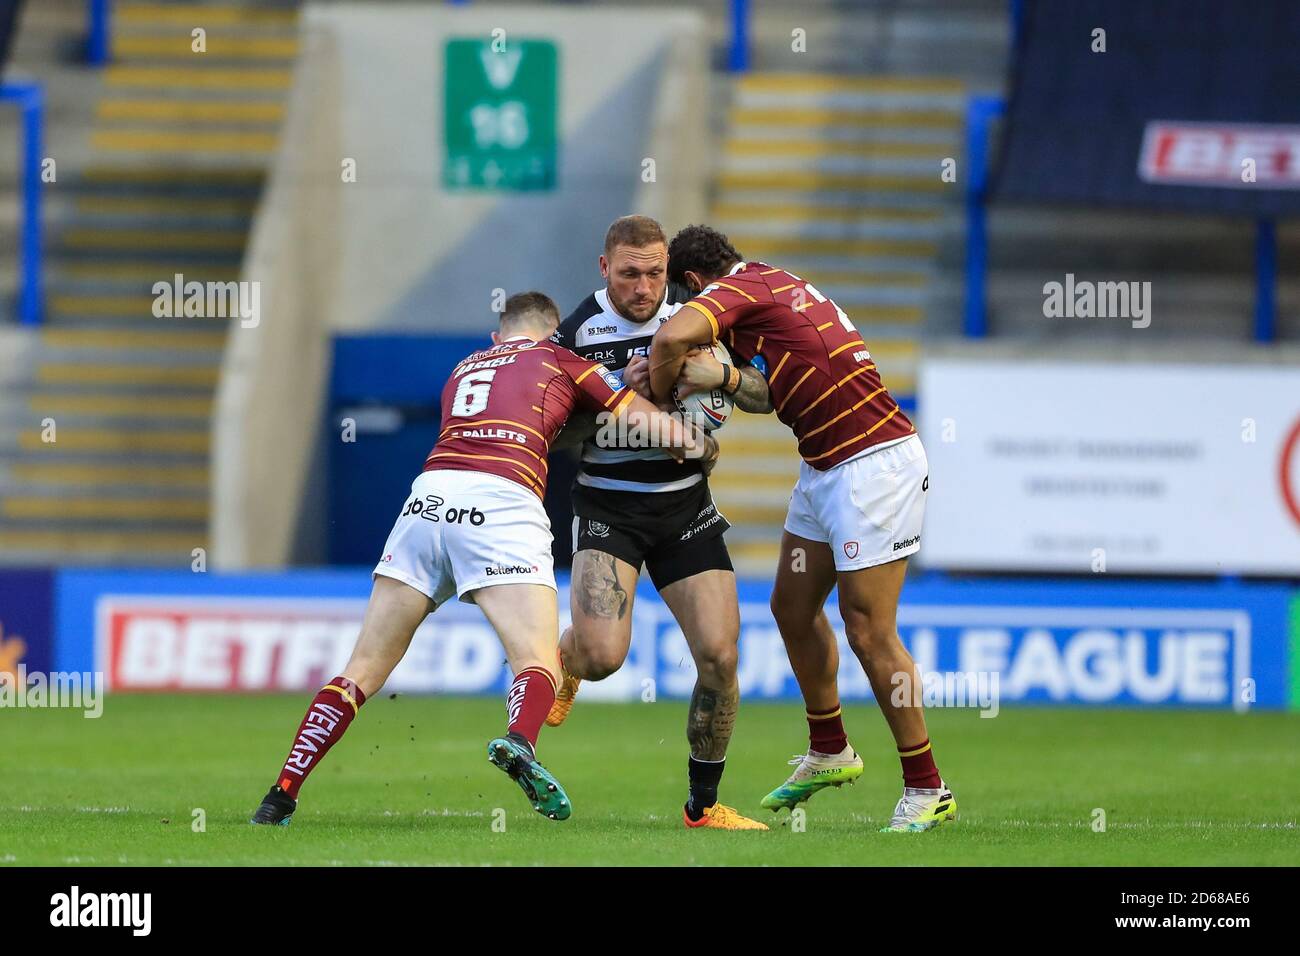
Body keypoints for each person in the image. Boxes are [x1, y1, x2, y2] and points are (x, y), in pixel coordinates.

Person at [250, 291, 700, 826]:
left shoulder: (463, 368)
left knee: (362, 669)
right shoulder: (561, 359)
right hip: (502, 501)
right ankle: (520, 742)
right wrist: (690, 437)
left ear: (497, 337)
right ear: (550, 333)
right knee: (537, 660)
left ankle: (281, 793)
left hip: (427, 500)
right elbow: (647, 422)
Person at [648, 225, 957, 833]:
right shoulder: (771, 290)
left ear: (693, 283)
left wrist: (658, 397)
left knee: (869, 628)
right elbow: (765, 396)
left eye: (685, 300)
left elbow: (671, 336)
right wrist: (729, 379)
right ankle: (830, 748)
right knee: (791, 606)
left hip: (873, 464)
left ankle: (927, 787)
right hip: (824, 466)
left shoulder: (734, 290)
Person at [547, 215, 771, 830]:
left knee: (722, 658)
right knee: (601, 657)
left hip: (684, 509)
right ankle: (567, 660)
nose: (643, 289)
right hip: (608, 508)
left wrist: (719, 376)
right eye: (629, 275)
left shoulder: (699, 313)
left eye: (653, 274)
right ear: (604, 269)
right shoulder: (576, 332)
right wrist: (621, 394)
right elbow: (556, 435)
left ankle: (703, 806)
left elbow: (763, 393)